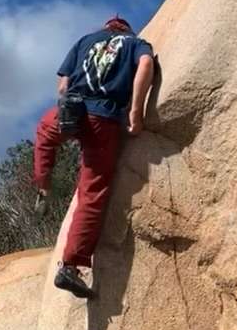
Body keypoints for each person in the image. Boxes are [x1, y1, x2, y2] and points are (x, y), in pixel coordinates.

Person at [33, 16, 155, 298]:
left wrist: (70, 114)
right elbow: (146, 65)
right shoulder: (137, 44)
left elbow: (63, 87)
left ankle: (42, 183)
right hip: (105, 118)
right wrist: (136, 112)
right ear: (127, 30)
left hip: (72, 109)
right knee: (92, 191)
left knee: (45, 133)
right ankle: (70, 266)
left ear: (106, 28)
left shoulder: (85, 41)